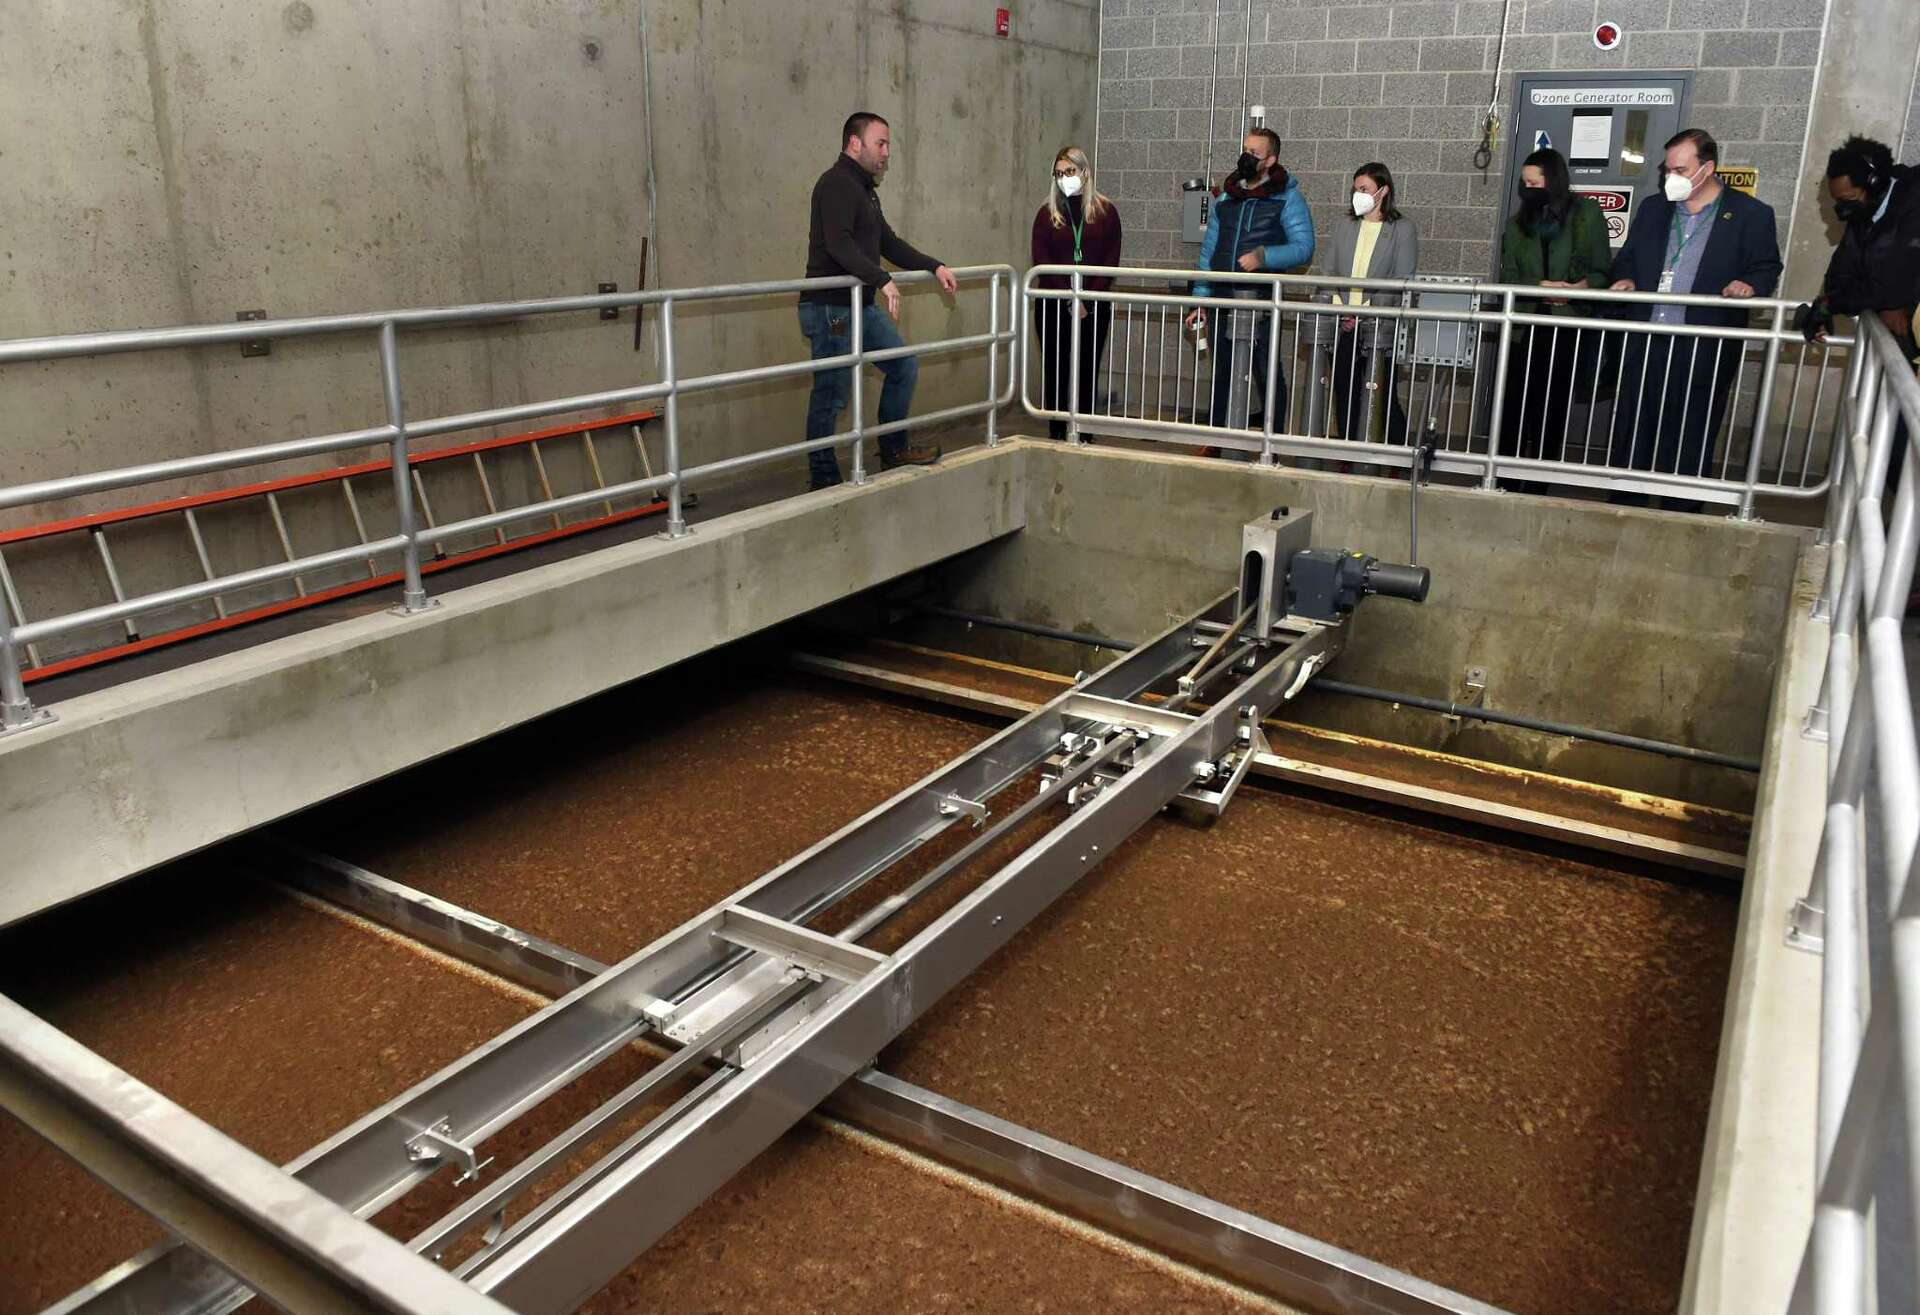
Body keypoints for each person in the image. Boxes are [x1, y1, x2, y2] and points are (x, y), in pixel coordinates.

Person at [1606, 128, 1782, 511]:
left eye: (1681, 169)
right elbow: (1627, 258)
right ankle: (1623, 502)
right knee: (1634, 423)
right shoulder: (1654, 209)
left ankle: (1680, 508)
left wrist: (1749, 285)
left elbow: (1767, 267)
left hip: (1703, 342)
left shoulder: (1751, 215)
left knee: (1690, 428)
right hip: (1646, 336)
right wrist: (1625, 278)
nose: (1672, 177)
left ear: (1708, 168)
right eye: (1667, 169)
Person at [799, 111, 959, 490]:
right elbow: (839, 244)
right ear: (855, 143)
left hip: (857, 305)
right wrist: (881, 279)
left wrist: (933, 266)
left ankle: (892, 449)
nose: (887, 152)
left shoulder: (864, 190)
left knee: (903, 366)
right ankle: (823, 476)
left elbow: (887, 243)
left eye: (888, 144)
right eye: (880, 143)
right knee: (833, 388)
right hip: (831, 311)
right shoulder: (836, 184)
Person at [1797, 135, 1920, 497]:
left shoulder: (1914, 202)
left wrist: (1849, 302)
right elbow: (1846, 268)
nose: (1842, 213)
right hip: (1899, 336)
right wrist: (1823, 306)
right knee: (1893, 434)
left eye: (1848, 202)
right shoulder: (1867, 212)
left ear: (1875, 185)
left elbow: (1895, 280)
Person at [1184, 128, 1314, 446]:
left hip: (1262, 300)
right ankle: (1216, 439)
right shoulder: (1228, 198)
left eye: (1254, 152)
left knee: (1266, 371)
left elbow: (1304, 247)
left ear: (1271, 159)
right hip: (1224, 296)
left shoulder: (1288, 198)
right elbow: (1209, 253)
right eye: (1245, 149)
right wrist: (1201, 298)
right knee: (1223, 370)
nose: (1246, 157)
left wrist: (1264, 256)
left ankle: (1274, 442)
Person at [1497, 148, 1612, 483]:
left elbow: (1602, 271)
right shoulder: (1517, 225)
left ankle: (1540, 477)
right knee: (1514, 403)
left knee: (1552, 404)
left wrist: (1578, 288)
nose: (1529, 187)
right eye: (1525, 182)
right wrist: (1540, 285)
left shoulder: (1585, 214)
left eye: (1536, 181)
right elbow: (1509, 277)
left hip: (1564, 326)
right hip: (1524, 326)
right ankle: (1504, 475)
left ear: (1554, 179)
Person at [1030, 146, 1123, 440]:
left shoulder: (1106, 212)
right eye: (1058, 173)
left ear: (1084, 172)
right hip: (1055, 304)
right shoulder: (1046, 214)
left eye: (1069, 172)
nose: (1064, 178)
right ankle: (1057, 431)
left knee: (1086, 368)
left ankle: (1083, 432)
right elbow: (1041, 259)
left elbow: (1111, 259)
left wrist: (1087, 298)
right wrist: (1069, 297)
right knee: (1055, 369)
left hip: (1093, 306)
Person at [1326, 162, 1418, 446]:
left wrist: (1363, 312)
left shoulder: (1402, 229)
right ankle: (1348, 449)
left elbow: (1402, 279)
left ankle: (1397, 454)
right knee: (1345, 390)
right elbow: (1329, 271)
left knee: (1381, 392)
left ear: (1383, 190)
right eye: (1355, 189)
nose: (1358, 195)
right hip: (1343, 325)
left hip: (1379, 326)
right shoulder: (1344, 225)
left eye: (1364, 189)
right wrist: (1341, 310)